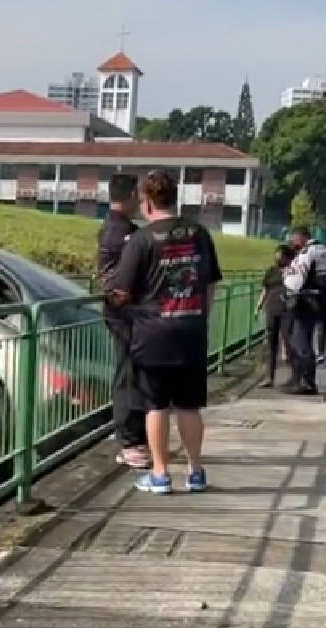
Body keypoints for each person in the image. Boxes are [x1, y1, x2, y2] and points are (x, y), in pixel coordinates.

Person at [108, 169, 223, 494]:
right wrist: (198, 316)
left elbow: (121, 292)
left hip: (152, 334)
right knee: (189, 406)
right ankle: (196, 471)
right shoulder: (199, 233)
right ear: (175, 197)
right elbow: (211, 283)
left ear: (146, 202)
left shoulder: (142, 240)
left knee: (156, 405)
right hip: (191, 330)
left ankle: (160, 474)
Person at [97, 173, 150, 469]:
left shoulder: (124, 229)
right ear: (130, 194)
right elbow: (114, 281)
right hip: (123, 314)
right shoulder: (119, 233)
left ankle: (135, 437)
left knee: (136, 374)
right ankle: (129, 440)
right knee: (127, 375)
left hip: (132, 314)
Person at [283, 227, 326, 395]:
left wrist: (288, 290)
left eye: (294, 238)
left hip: (305, 300)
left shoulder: (307, 252)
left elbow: (297, 278)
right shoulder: (324, 250)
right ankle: (305, 381)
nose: (292, 242)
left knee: (300, 341)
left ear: (302, 237)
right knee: (305, 338)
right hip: (318, 300)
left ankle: (305, 382)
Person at [257, 245, 295, 387]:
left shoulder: (292, 271)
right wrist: (259, 306)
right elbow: (265, 290)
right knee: (271, 344)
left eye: (281, 256)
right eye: (276, 256)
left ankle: (294, 375)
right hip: (272, 310)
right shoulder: (271, 271)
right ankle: (269, 377)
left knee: (289, 341)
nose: (278, 259)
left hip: (287, 310)